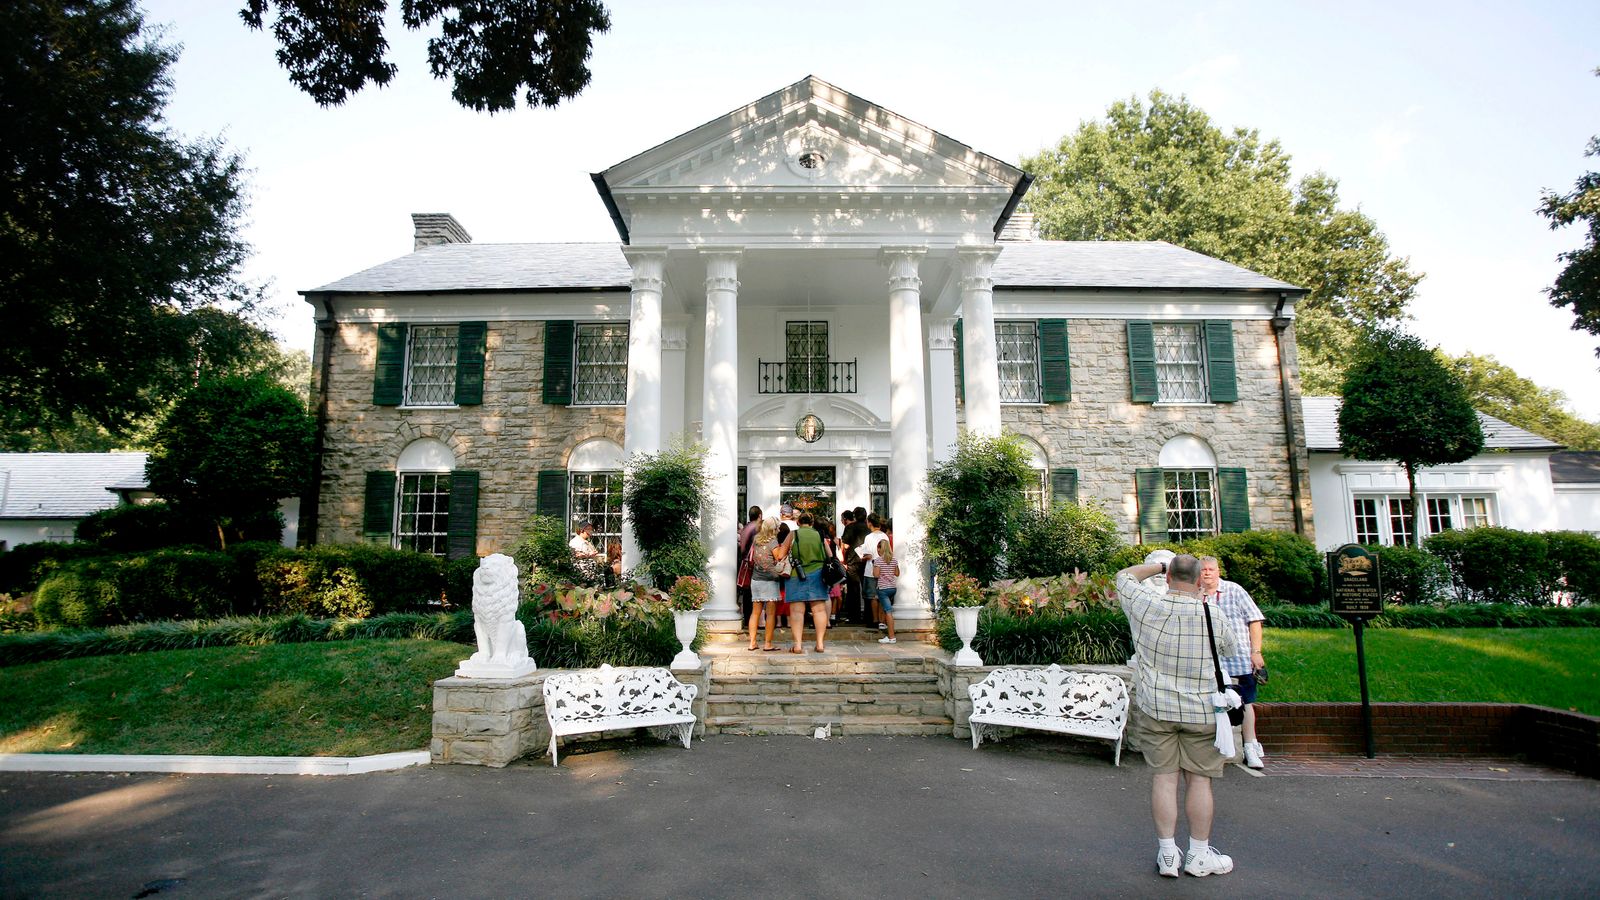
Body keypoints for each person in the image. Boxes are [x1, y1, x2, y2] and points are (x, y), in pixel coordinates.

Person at [1117, 553, 1241, 879]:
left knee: (1164, 778)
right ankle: (1199, 854)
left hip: (1158, 709)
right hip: (1202, 712)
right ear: (1201, 580)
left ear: (1169, 577)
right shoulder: (1213, 614)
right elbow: (1230, 649)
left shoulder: (1147, 606)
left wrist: (1160, 565)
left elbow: (1124, 578)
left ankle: (1168, 853)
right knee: (1199, 781)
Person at [1199, 556, 1268, 769]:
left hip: (1237, 659)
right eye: (1203, 570)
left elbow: (1254, 620)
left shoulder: (1235, 591)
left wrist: (1256, 652)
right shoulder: (1195, 595)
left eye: (1211, 569)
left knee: (1245, 702)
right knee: (1214, 704)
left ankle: (1250, 746)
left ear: (1218, 571)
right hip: (1209, 661)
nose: (1207, 573)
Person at [785, 512, 830, 653]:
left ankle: (798, 645)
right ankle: (820, 644)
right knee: (819, 610)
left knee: (797, 611)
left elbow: (781, 554)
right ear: (812, 523)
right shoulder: (820, 535)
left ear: (798, 522)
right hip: (817, 573)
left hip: (797, 574)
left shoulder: (793, 534)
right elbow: (830, 555)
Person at [746, 517, 791, 651]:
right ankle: (768, 644)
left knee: (755, 613)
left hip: (756, 579)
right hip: (770, 581)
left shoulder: (756, 539)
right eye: (777, 527)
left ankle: (752, 642)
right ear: (773, 529)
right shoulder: (773, 542)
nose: (778, 530)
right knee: (770, 614)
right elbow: (779, 557)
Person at [858, 514, 889, 630]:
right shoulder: (884, 536)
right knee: (881, 595)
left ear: (869, 523)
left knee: (872, 596)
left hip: (871, 569)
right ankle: (882, 620)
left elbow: (867, 555)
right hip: (883, 568)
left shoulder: (869, 537)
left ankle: (874, 620)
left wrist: (862, 556)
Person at [738, 506, 762, 622]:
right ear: (760, 515)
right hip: (753, 562)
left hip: (745, 561)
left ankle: (748, 617)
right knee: (754, 592)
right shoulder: (757, 528)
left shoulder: (746, 527)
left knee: (747, 591)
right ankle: (753, 618)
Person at [874, 540, 900, 644]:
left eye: (878, 548)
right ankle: (883, 624)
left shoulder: (878, 560)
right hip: (892, 588)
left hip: (883, 588)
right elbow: (897, 573)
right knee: (884, 607)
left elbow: (876, 575)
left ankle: (891, 637)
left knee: (888, 611)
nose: (877, 550)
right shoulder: (894, 560)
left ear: (881, 548)